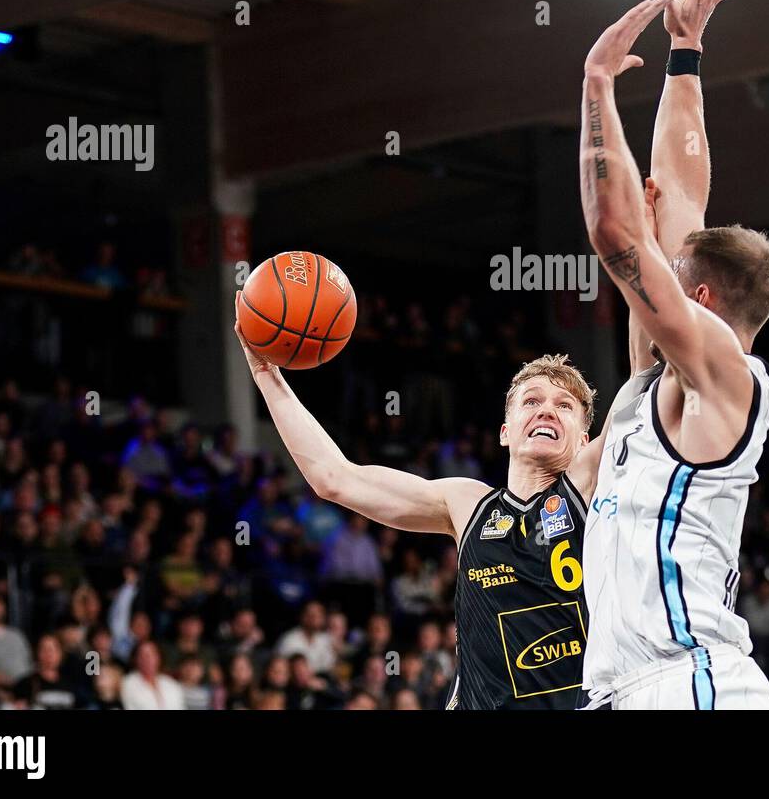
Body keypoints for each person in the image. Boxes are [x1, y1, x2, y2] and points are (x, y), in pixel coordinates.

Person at [576, 0, 769, 709]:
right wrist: (686, 55)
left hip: (689, 679)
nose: (659, 267)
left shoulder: (723, 372)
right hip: (631, 687)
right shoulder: (659, 383)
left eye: (672, 271)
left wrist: (598, 87)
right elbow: (681, 185)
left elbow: (614, 231)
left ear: (695, 299)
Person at [236, 300, 601, 709]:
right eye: (531, 401)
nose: (547, 410)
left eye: (564, 406)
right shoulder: (467, 503)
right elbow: (334, 478)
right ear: (504, 432)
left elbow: (648, 378)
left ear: (585, 442)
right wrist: (266, 373)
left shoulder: (595, 487)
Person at [121, 640, 185, 710]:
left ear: (159, 657)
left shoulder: (171, 684)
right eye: (142, 655)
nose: (147, 659)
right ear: (135, 659)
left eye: (152, 654)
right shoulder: (127, 683)